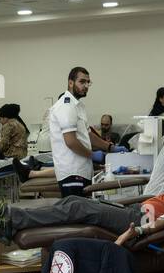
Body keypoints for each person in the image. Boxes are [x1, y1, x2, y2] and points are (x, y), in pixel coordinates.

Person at [0, 178, 164, 247]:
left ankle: (8, 216)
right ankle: (8, 224)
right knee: (73, 200)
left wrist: (143, 230)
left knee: (78, 208)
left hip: (141, 221)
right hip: (137, 211)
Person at [48, 66, 116, 197]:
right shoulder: (66, 106)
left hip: (81, 170)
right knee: (76, 214)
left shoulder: (78, 106)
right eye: (82, 81)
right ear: (70, 83)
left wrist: (110, 147)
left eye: (88, 82)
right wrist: (92, 155)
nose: (86, 86)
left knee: (83, 213)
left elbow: (88, 135)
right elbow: (71, 142)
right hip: (71, 172)